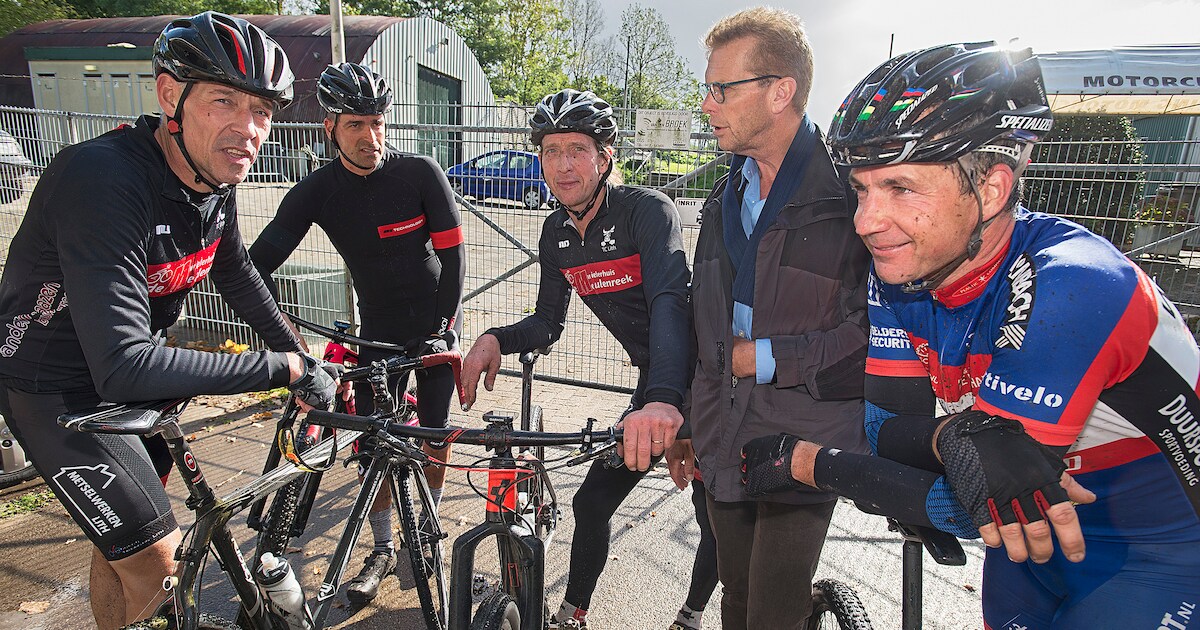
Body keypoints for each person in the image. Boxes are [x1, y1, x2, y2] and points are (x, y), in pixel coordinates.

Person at [742, 42, 1200, 628]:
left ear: (990, 190)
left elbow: (974, 501)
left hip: (1161, 554)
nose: (865, 222)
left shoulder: (1075, 285)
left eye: (901, 188)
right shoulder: (903, 272)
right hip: (1027, 556)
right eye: (861, 189)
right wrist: (952, 438)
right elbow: (887, 434)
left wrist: (809, 463)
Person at [0, 12, 341, 629]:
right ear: (169, 96)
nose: (248, 128)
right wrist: (282, 368)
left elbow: (237, 274)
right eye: (223, 101)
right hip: (57, 390)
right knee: (161, 566)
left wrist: (303, 356)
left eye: (262, 110)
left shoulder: (211, 175)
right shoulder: (102, 179)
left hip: (131, 383)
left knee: (124, 548)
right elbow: (124, 365)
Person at [460, 88, 691, 629]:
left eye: (577, 150)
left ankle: (693, 611)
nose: (563, 165)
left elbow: (670, 303)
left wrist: (667, 402)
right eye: (551, 151)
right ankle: (572, 615)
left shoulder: (646, 212)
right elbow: (548, 322)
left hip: (703, 377)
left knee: (714, 508)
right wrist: (495, 337)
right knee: (591, 502)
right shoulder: (555, 233)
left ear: (605, 157)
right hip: (654, 383)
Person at [672, 7, 872, 629]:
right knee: (735, 595)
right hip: (722, 431)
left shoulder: (851, 195)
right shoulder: (723, 195)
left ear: (780, 92)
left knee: (772, 612)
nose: (707, 104)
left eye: (721, 89)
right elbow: (704, 325)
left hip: (804, 435)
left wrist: (762, 358)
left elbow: (876, 332)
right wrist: (689, 418)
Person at [248, 61, 464, 604]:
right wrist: (288, 338)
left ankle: (426, 534)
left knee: (433, 432)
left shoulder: (419, 173)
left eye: (377, 123)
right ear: (331, 128)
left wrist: (445, 330)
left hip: (434, 322)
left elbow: (454, 259)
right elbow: (255, 266)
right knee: (373, 444)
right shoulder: (317, 191)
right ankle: (384, 546)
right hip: (377, 332)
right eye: (355, 125)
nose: (371, 137)